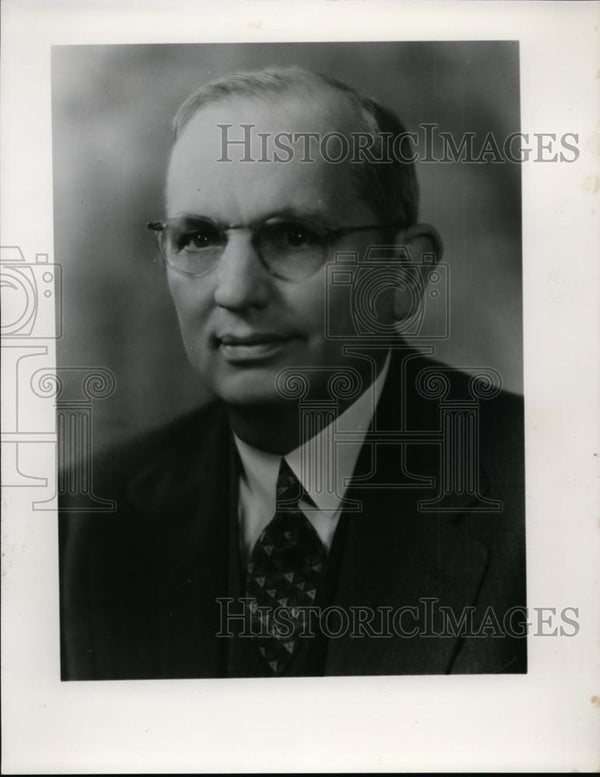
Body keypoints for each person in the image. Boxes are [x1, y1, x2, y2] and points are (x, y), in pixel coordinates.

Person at [59, 67, 526, 679]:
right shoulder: (81, 521)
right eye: (198, 237)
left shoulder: (549, 491)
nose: (235, 290)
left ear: (403, 273)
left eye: (295, 236)